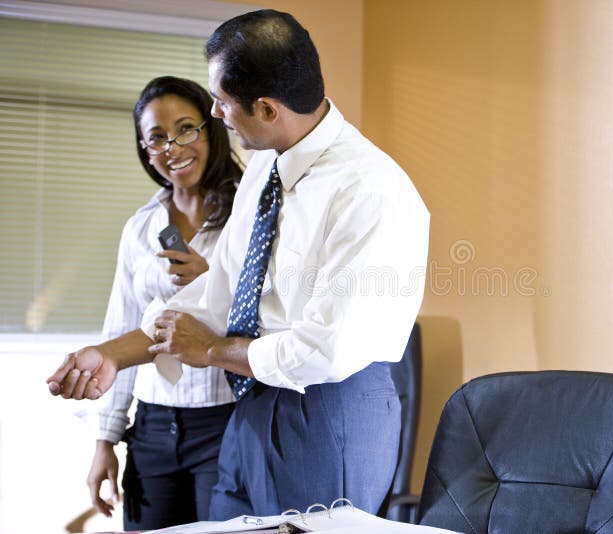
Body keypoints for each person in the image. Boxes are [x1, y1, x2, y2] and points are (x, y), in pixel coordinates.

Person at [47, 9, 429, 520]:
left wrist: (212, 351)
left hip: (327, 412)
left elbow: (326, 349)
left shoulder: (369, 190)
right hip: (250, 408)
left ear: (267, 108)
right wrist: (112, 355)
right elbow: (213, 297)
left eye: (222, 103)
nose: (217, 114)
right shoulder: (266, 167)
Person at [83, 76, 243, 530]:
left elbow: (273, 313)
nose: (173, 146)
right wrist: (104, 441)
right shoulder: (140, 228)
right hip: (152, 427)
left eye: (186, 128)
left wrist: (212, 286)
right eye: (156, 137)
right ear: (144, 148)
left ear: (211, 129)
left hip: (226, 422)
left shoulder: (247, 217)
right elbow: (120, 329)